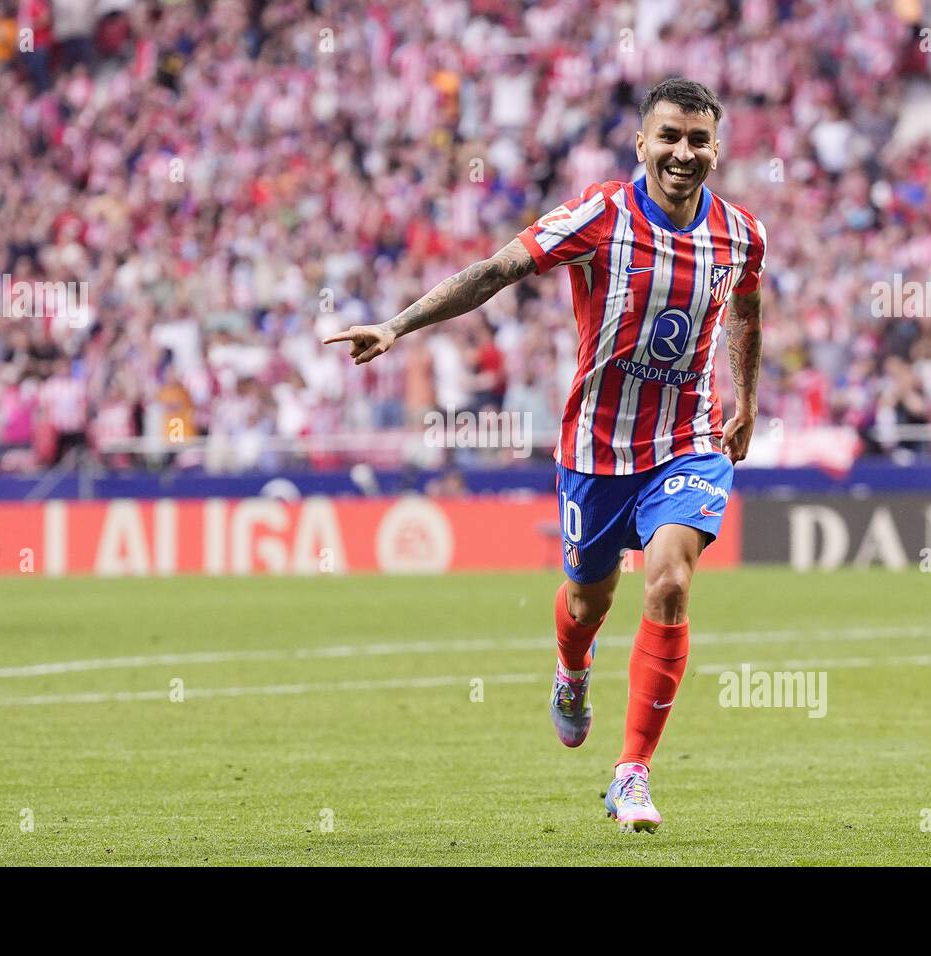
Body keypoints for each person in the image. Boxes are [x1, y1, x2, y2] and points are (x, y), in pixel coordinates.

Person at [324, 78, 766, 832]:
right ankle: (572, 668)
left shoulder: (742, 234)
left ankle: (631, 774)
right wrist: (398, 326)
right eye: (669, 137)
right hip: (596, 450)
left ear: (716, 149)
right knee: (588, 603)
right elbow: (496, 271)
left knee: (668, 582)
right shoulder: (601, 216)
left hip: (687, 441)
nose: (683, 153)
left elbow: (747, 310)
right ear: (642, 145)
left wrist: (747, 401)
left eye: (698, 140)